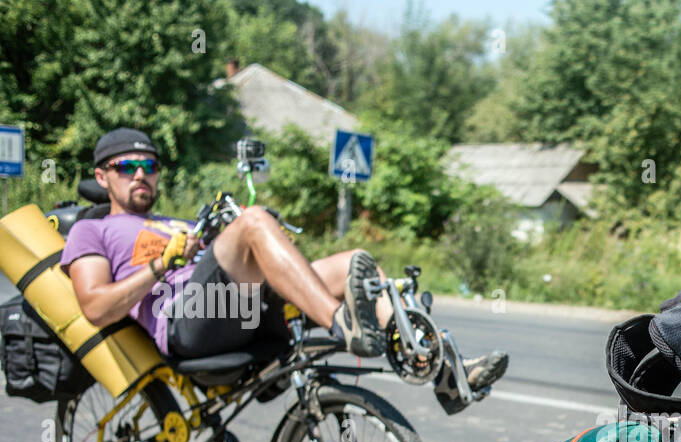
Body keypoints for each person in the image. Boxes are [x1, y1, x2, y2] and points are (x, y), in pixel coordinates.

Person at [61, 128, 507, 391]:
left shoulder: (174, 220)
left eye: (149, 166)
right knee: (254, 222)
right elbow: (96, 306)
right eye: (126, 167)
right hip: (187, 322)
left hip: (239, 310)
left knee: (355, 261)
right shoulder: (92, 229)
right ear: (102, 176)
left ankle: (442, 369)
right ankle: (339, 321)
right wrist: (162, 264)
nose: (141, 174)